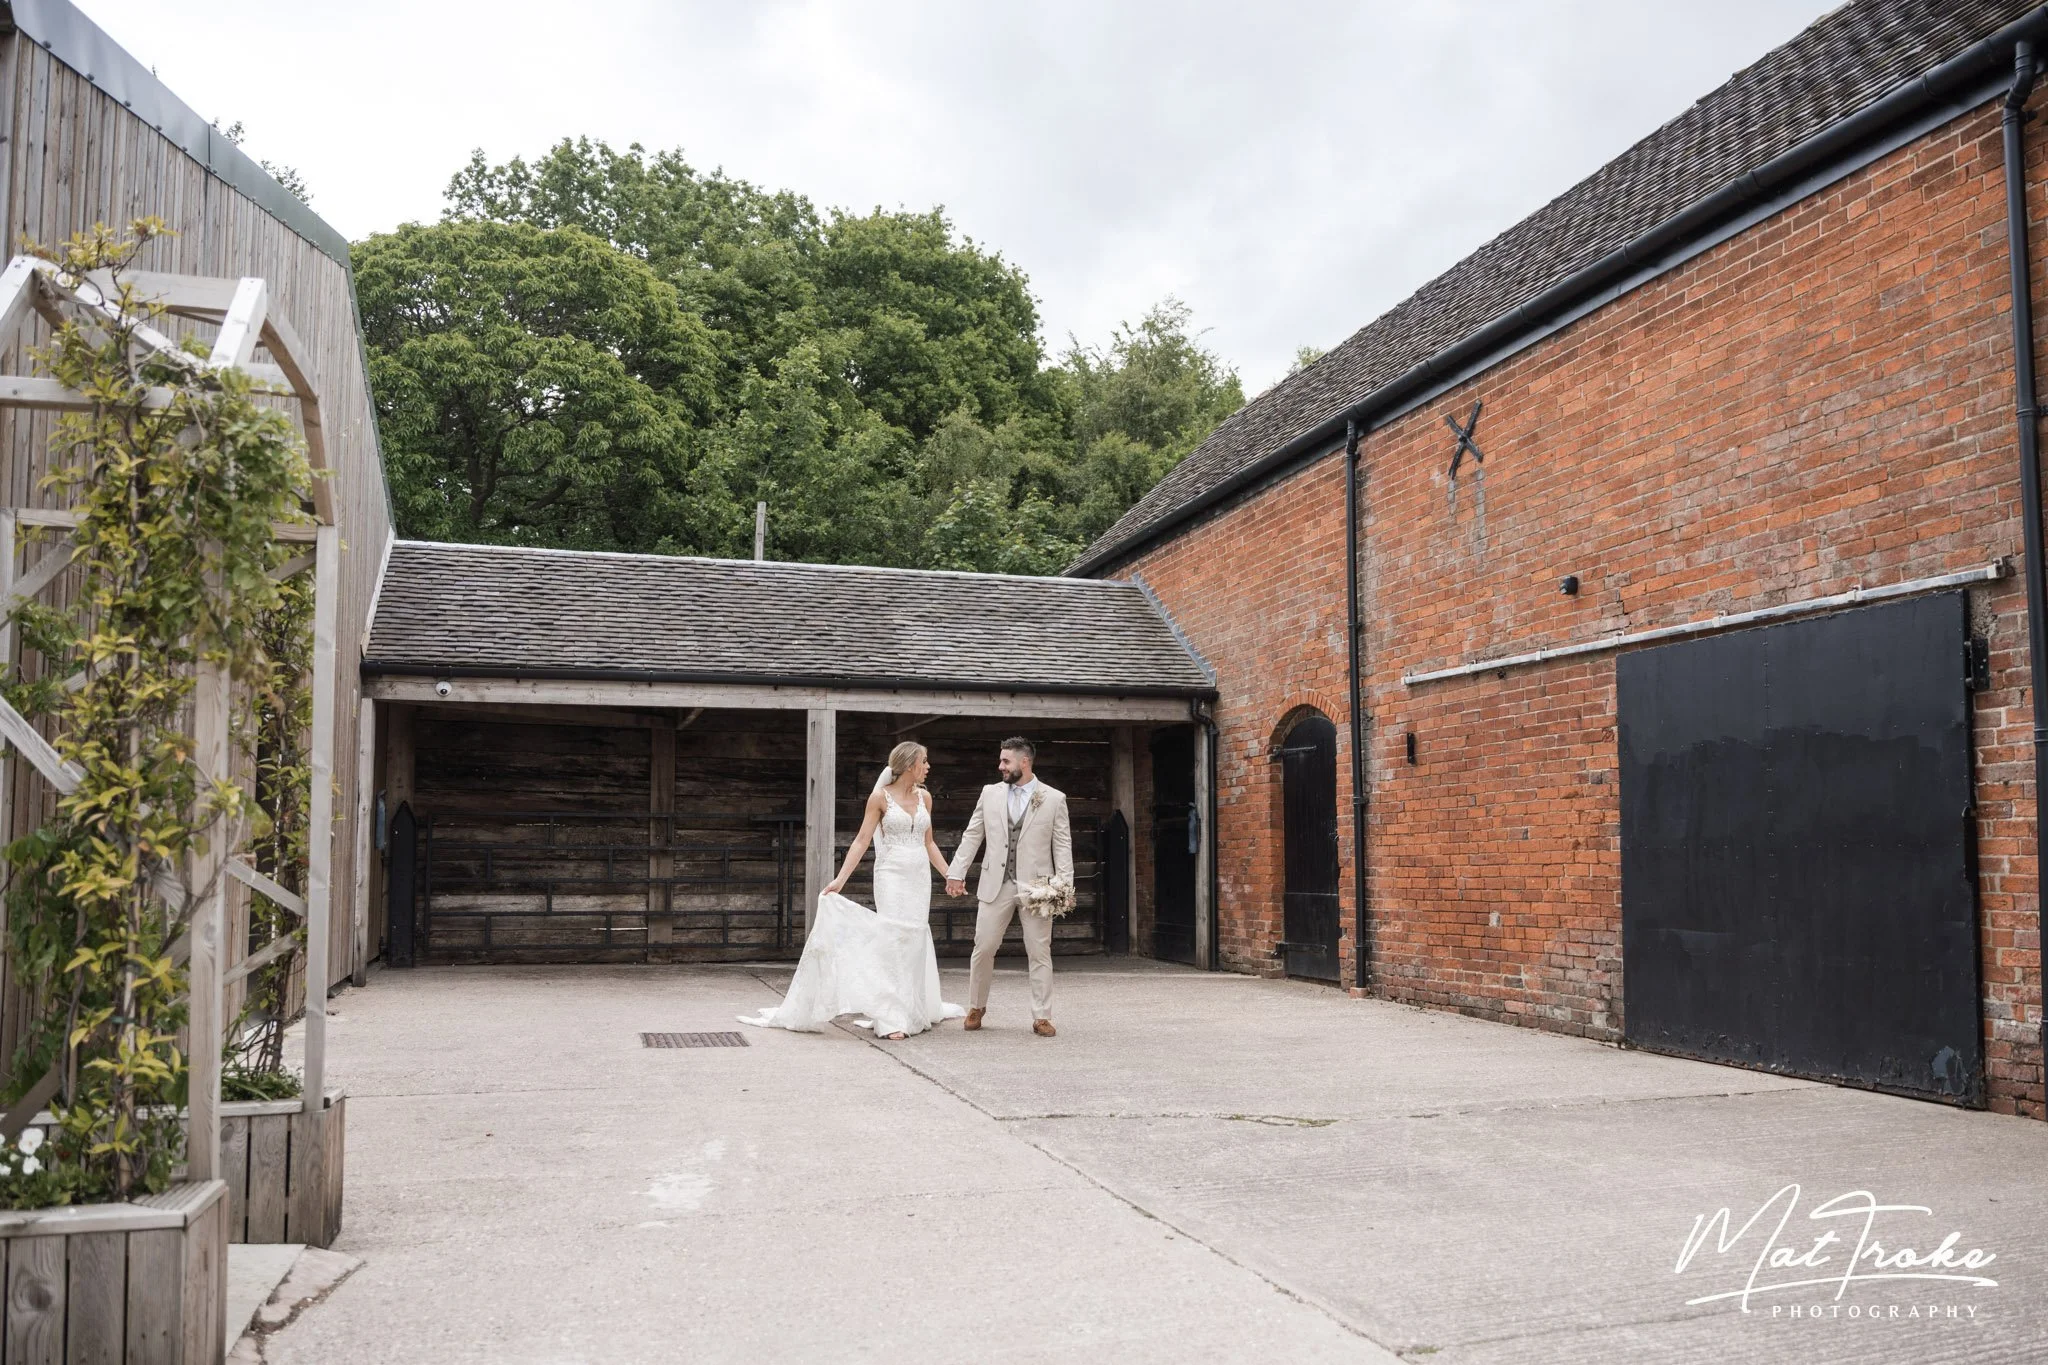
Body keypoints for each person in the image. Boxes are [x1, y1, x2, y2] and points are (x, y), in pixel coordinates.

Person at [738, 742, 965, 1038]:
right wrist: (839, 881)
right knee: (893, 941)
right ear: (910, 765)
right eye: (924, 761)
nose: (928, 766)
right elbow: (861, 840)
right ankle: (890, 1018)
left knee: (914, 940)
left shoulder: (926, 798)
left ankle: (911, 1008)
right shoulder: (879, 798)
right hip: (891, 876)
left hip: (918, 878)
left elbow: (929, 842)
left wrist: (951, 876)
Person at [946, 737, 1073, 1037]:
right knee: (984, 946)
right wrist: (956, 872)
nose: (1000, 765)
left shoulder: (1054, 798)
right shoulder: (990, 794)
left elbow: (1062, 845)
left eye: (1006, 761)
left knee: (1039, 951)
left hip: (1038, 888)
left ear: (1024, 762)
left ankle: (1042, 1015)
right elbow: (972, 834)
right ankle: (976, 1006)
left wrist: (1065, 886)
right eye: (1001, 760)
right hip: (995, 884)